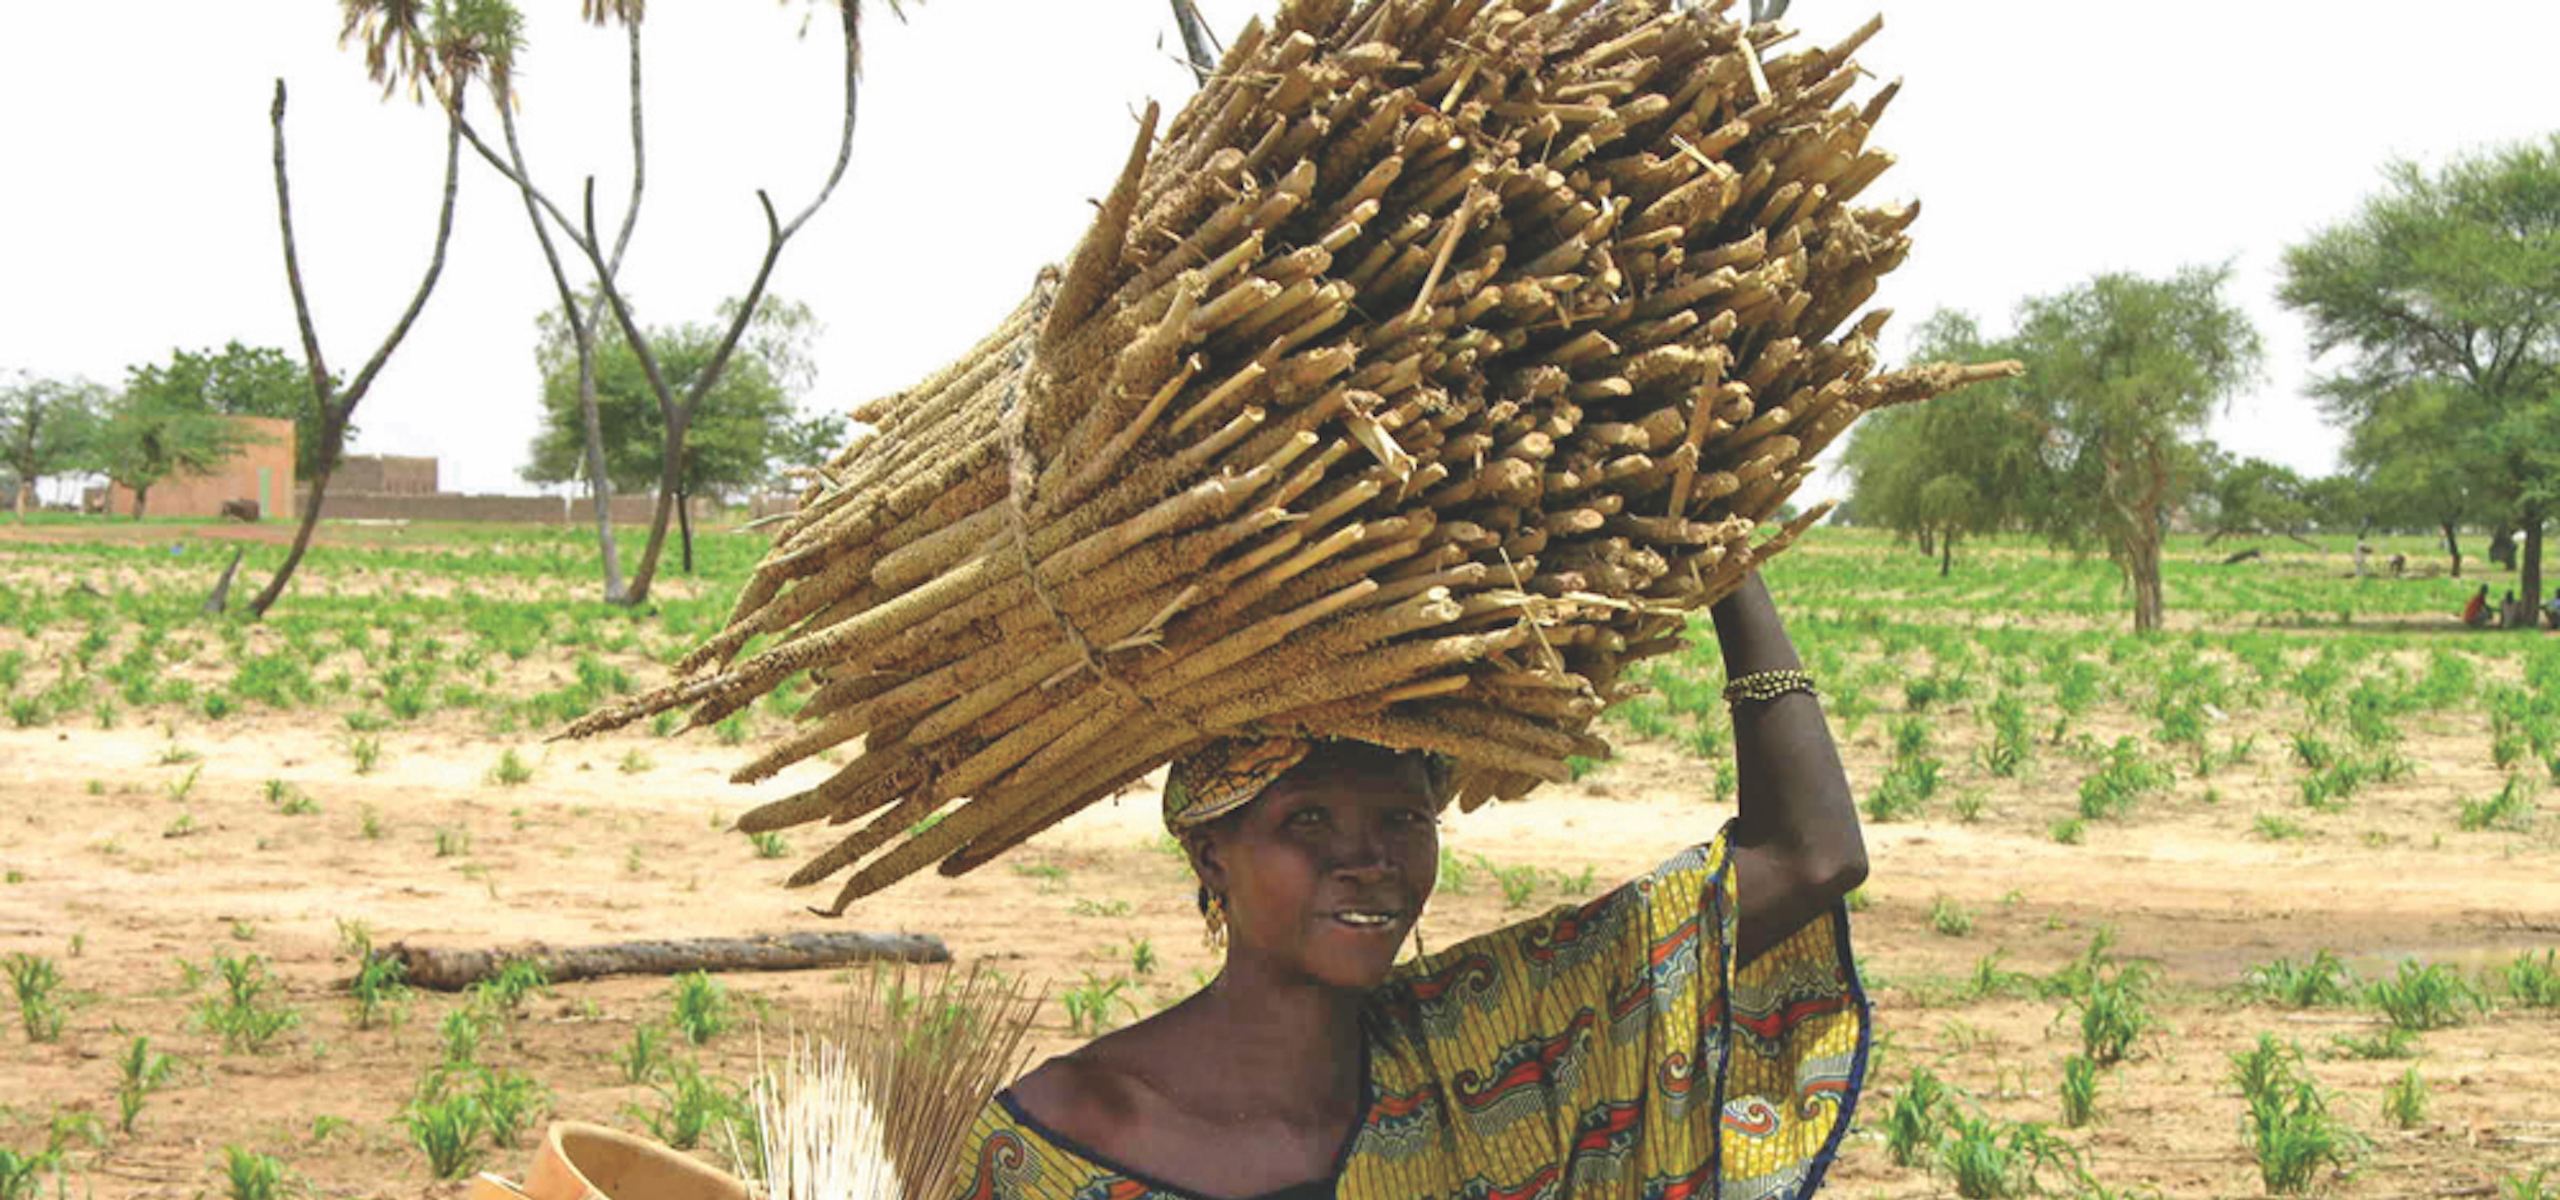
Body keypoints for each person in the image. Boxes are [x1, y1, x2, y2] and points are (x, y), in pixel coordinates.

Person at [955, 573, 1869, 1200]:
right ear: (1208, 854)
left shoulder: (1487, 1044)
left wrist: (1727, 557)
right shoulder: (1059, 1143)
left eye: (1402, 819)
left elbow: (1810, 856)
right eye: (1306, 821)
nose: (1369, 860)